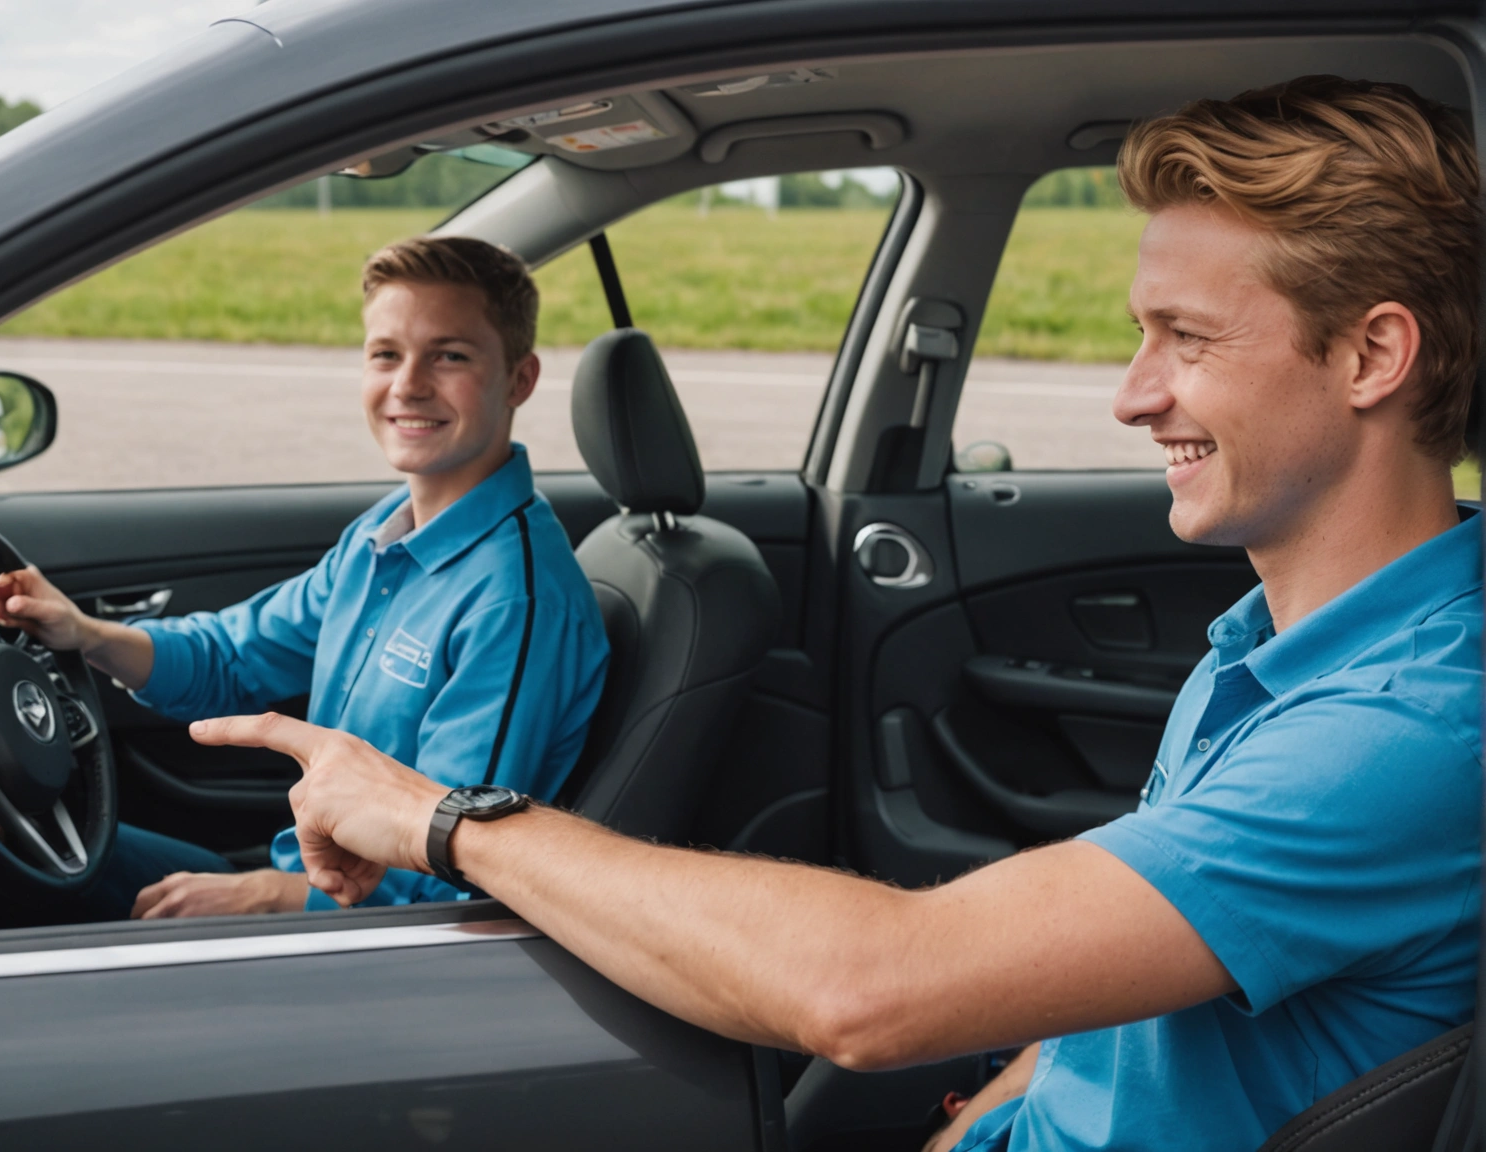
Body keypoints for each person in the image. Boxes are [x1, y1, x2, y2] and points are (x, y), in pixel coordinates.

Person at [182, 75, 1484, 1151]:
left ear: (1372, 356)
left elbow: (879, 990)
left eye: (1186, 340)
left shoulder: (1411, 726)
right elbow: (1131, 970)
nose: (1132, 397)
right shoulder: (1274, 643)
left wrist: (434, 818)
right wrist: (984, 1115)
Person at [0, 235, 609, 920]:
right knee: (2, 833)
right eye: (386, 354)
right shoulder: (383, 535)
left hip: (366, 938)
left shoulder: (515, 598)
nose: (408, 385)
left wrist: (269, 897)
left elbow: (461, 858)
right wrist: (86, 633)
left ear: (519, 378)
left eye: (449, 355)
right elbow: (235, 656)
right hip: (307, 881)